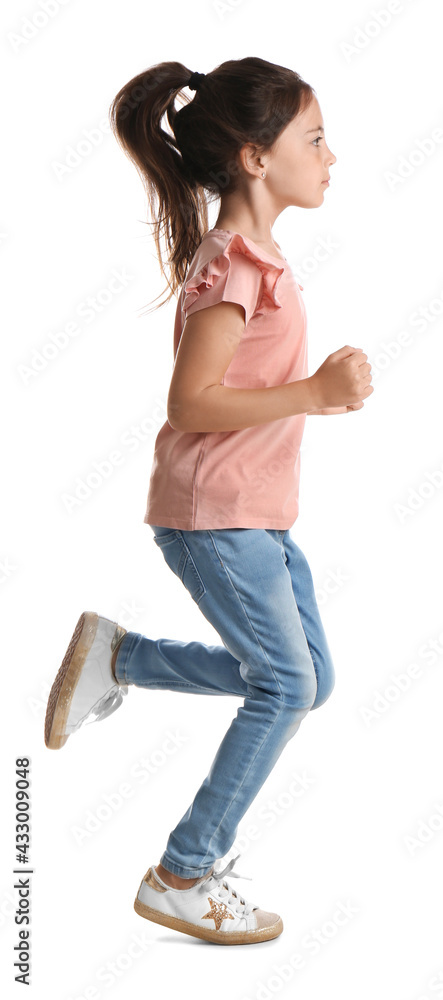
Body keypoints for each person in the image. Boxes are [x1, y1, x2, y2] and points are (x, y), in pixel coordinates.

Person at [44, 56, 373, 946]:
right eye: (313, 139)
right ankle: (182, 873)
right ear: (255, 158)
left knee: (308, 681)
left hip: (253, 514)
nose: (330, 156)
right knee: (285, 685)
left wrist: (312, 393)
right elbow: (189, 404)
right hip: (215, 512)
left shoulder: (257, 258)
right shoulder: (234, 265)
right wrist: (312, 393)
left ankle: (126, 658)